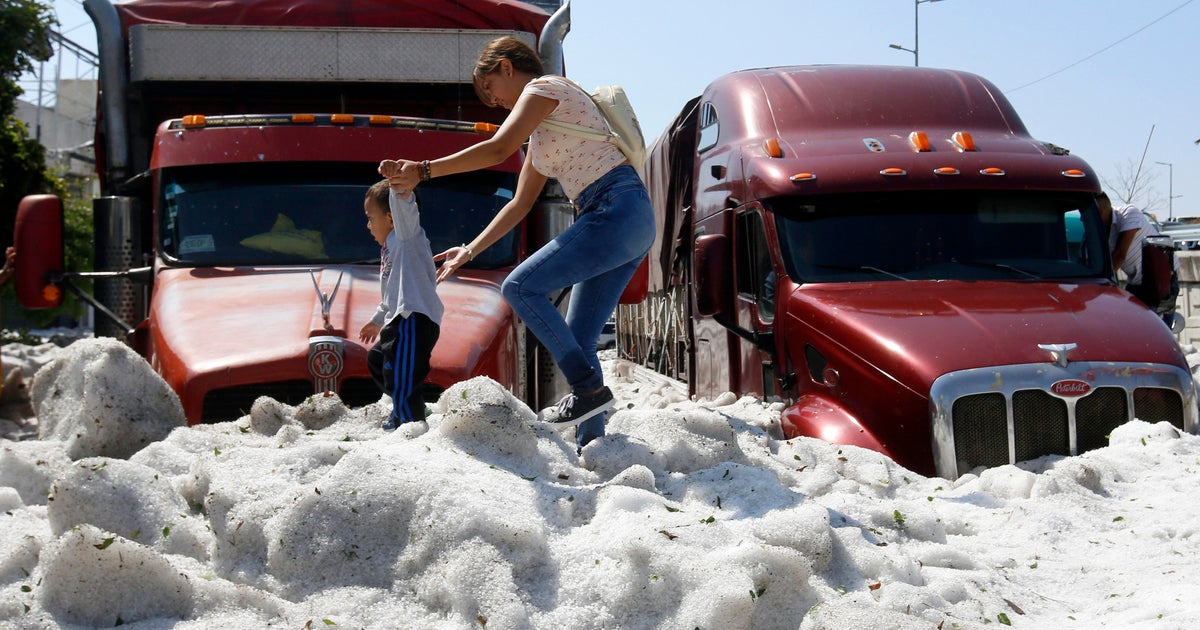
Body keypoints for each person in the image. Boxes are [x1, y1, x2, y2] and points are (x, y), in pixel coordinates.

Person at [378, 36, 655, 446]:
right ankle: (592, 446)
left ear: (507, 67)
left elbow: (497, 149)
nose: (496, 104)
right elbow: (520, 205)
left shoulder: (545, 88)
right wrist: (470, 249)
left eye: (491, 90)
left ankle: (590, 391)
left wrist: (424, 169)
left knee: (520, 287)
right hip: (625, 218)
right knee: (579, 340)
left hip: (615, 207)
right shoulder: (542, 139)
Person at [360, 180, 443, 431]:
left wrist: (399, 185)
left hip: (413, 318)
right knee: (377, 360)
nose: (368, 225)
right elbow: (390, 293)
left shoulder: (406, 237)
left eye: (371, 218)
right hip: (397, 318)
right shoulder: (390, 247)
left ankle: (407, 423)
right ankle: (411, 406)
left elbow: (405, 207)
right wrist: (377, 320)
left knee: (402, 375)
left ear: (391, 217)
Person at [1096, 192, 1178, 327]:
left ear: (1103, 210)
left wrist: (1099, 285)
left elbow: (1120, 254)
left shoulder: (1129, 214)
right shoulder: (1098, 232)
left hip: (1160, 281)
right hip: (1135, 282)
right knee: (1130, 328)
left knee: (1158, 331)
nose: (1083, 220)